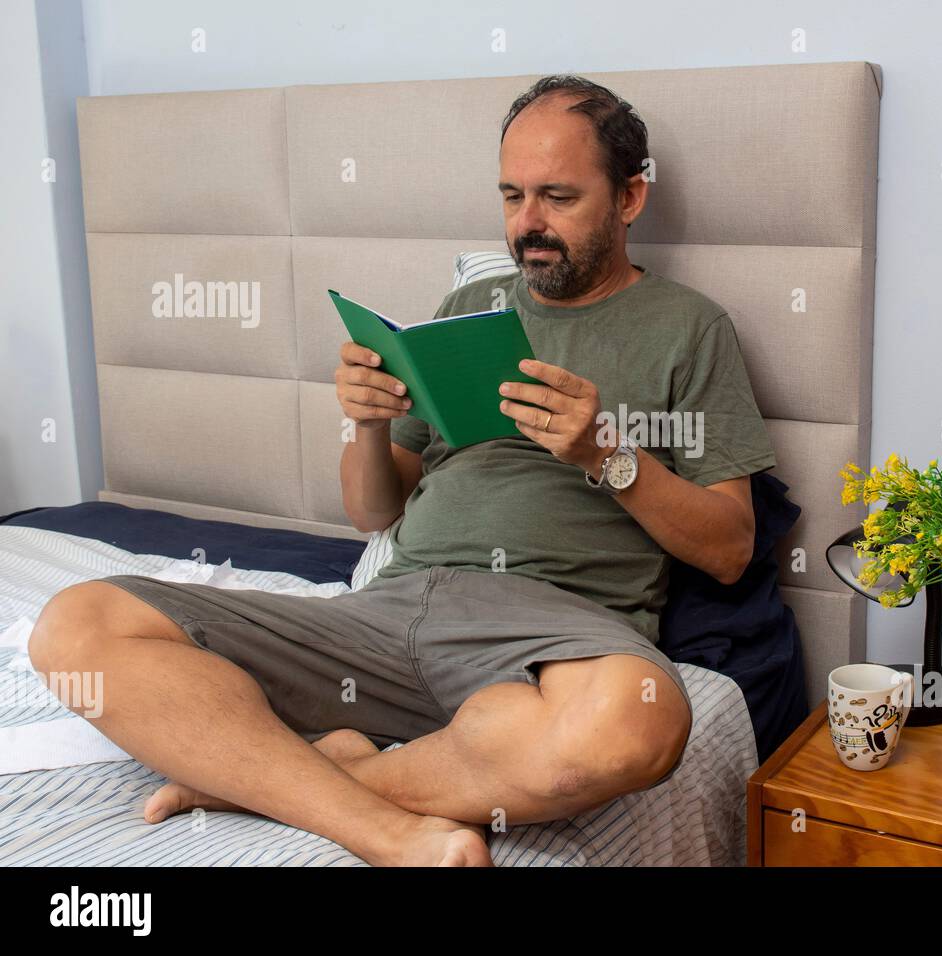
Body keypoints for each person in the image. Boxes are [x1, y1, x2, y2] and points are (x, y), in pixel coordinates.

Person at [29, 74, 777, 867]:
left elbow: (729, 548)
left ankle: (298, 775)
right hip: (386, 610)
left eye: (558, 197)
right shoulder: (471, 311)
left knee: (638, 720)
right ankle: (383, 824)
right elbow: (370, 513)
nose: (528, 225)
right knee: (77, 627)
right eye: (511, 195)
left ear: (629, 198)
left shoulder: (690, 329)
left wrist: (606, 455)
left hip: (544, 635)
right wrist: (367, 421)